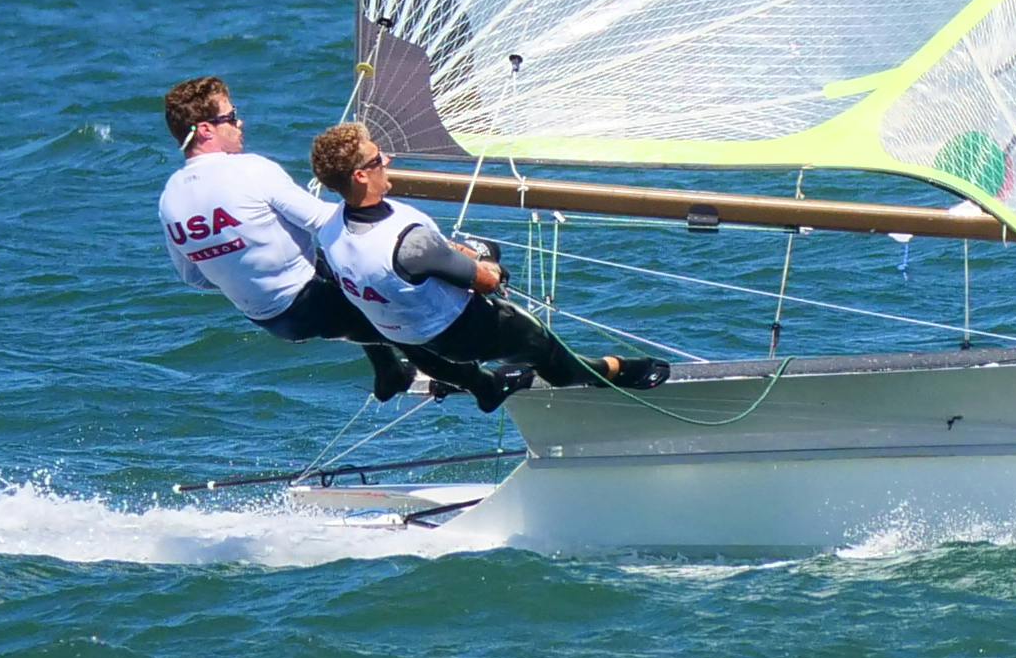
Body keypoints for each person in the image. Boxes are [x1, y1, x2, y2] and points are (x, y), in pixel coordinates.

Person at [305, 123, 665, 408]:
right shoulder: (412, 243)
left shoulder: (330, 231)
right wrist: (486, 263)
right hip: (464, 332)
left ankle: (484, 388)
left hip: (408, 335)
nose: (388, 161)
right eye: (378, 159)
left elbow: (412, 258)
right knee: (549, 357)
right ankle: (617, 370)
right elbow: (488, 282)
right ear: (360, 176)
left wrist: (456, 251)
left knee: (476, 253)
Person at [157, 75, 422, 401]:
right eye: (230, 116)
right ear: (206, 130)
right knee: (402, 313)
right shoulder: (250, 169)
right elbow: (325, 220)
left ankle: (388, 372)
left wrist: (246, 272)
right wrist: (406, 243)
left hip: (268, 319)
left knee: (339, 274)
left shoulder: (170, 197)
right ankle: (479, 382)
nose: (239, 122)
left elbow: (194, 277)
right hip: (310, 302)